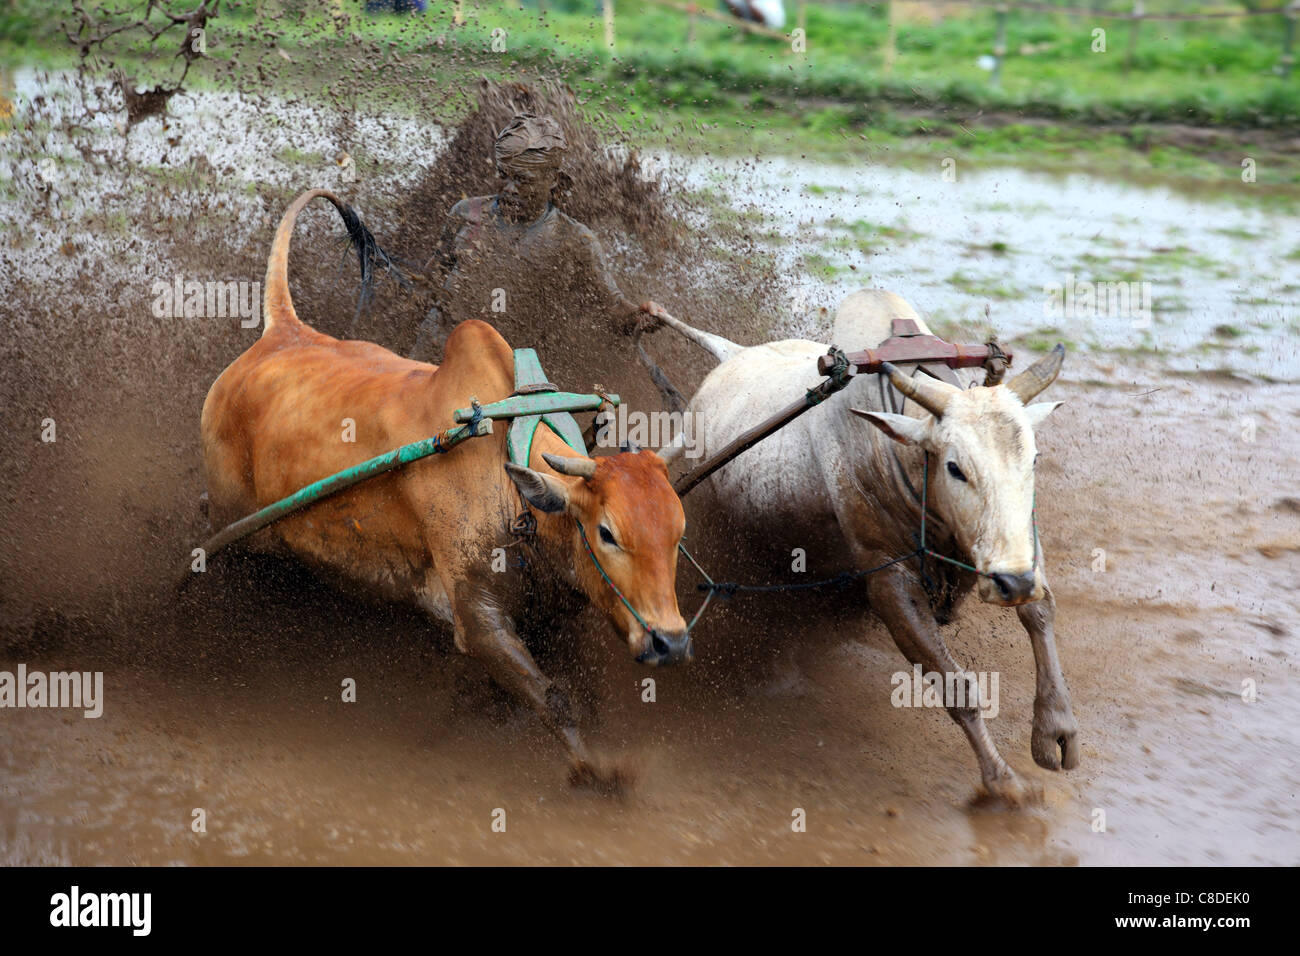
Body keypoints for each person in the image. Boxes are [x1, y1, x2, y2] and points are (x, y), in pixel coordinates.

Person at [409, 113, 669, 362]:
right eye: (504, 176)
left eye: (522, 180)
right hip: (441, 352)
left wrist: (640, 317)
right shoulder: (466, 213)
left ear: (552, 179)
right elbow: (432, 280)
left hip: (509, 365)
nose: (509, 189)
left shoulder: (573, 240)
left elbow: (611, 309)